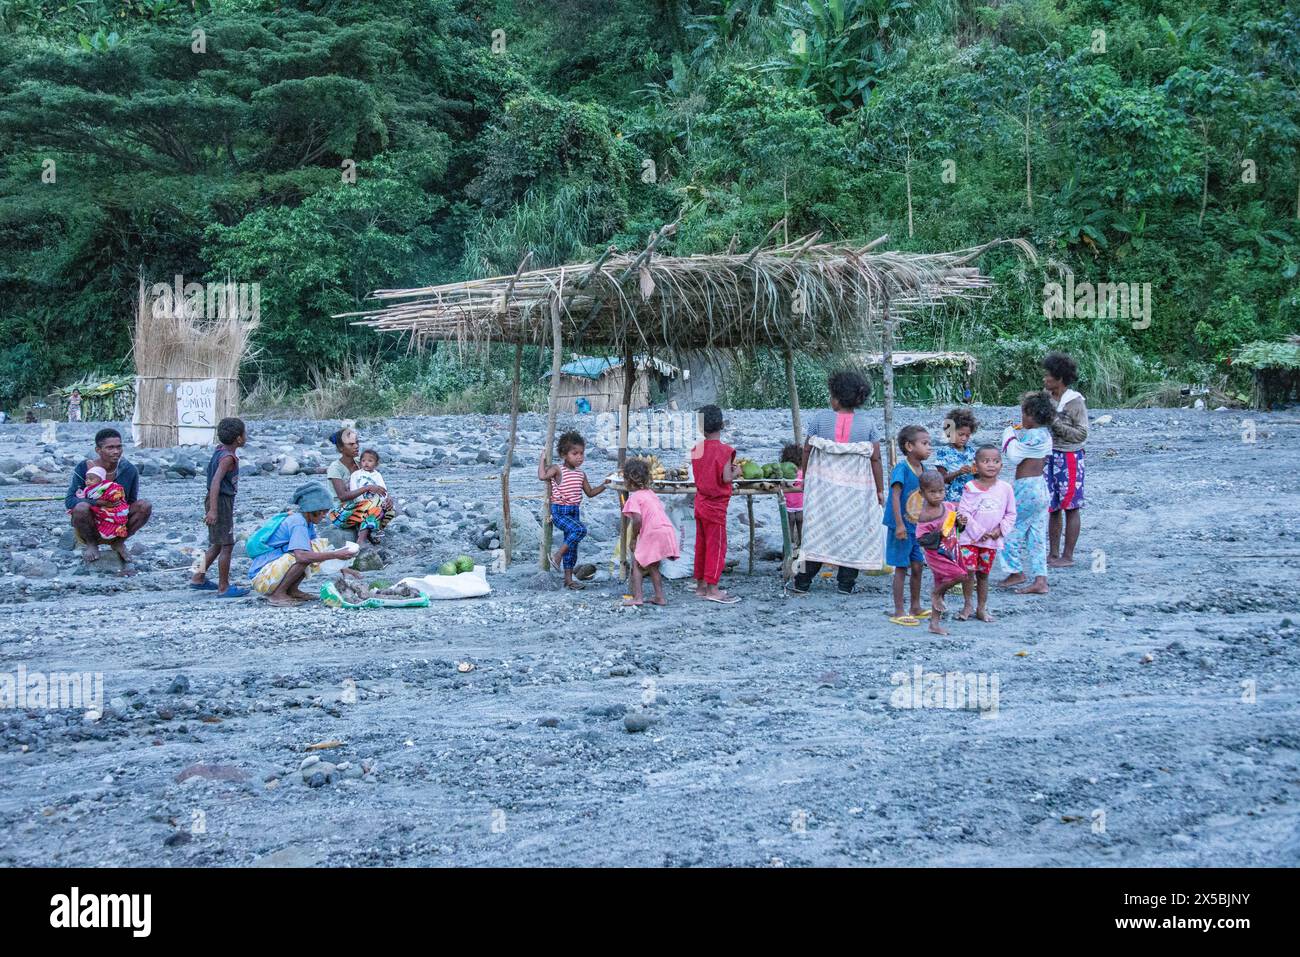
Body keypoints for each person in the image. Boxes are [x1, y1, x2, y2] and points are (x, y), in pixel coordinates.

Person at [792, 370, 885, 594]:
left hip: (823, 490)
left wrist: (805, 475)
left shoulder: (819, 420)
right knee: (852, 534)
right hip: (856, 492)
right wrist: (880, 490)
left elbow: (807, 449)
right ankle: (846, 583)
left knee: (815, 534)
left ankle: (802, 583)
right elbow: (876, 458)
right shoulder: (867, 425)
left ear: (835, 397)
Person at [250, 482, 359, 607]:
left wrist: (344, 567)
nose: (325, 516)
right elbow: (302, 557)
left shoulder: (307, 523)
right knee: (304, 555)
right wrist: (335, 554)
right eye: (322, 512)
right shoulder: (298, 523)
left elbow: (319, 552)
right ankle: (277, 594)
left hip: (271, 573)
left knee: (315, 547)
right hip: (263, 578)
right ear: (311, 509)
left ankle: (291, 590)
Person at [65, 428, 152, 573]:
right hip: (90, 524)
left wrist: (115, 508)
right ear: (98, 450)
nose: (116, 451)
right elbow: (69, 501)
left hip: (117, 524)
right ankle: (92, 544)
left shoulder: (128, 470)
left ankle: (118, 542)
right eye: (110, 447)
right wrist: (97, 503)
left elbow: (131, 501)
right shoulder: (83, 468)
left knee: (144, 506)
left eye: (119, 447)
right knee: (80, 507)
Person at [997, 391, 1055, 595]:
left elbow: (1013, 454)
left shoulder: (1032, 435)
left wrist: (1009, 432)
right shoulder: (1045, 435)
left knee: (1007, 528)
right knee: (1037, 536)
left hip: (1027, 488)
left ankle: (1015, 571)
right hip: (1040, 486)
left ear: (1030, 415)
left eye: (1023, 414)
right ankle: (1040, 579)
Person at [538, 430, 608, 590]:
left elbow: (590, 493)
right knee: (580, 530)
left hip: (574, 511)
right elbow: (542, 476)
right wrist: (541, 460)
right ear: (564, 454)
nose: (579, 457)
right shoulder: (557, 469)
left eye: (582, 453)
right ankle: (557, 556)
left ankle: (568, 580)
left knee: (573, 547)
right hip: (559, 511)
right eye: (574, 453)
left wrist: (605, 484)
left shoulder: (581, 474)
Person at [190, 417, 248, 597]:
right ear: (238, 438)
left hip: (215, 500)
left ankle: (197, 577)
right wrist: (214, 510)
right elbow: (216, 482)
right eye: (244, 434)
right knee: (227, 545)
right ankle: (223, 587)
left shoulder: (219, 451)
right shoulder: (228, 458)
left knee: (216, 543)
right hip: (220, 501)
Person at [957, 445, 1016, 622]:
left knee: (983, 574)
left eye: (996, 461)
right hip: (969, 539)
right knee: (968, 571)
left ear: (1001, 465)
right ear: (976, 466)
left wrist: (1000, 529)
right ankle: (967, 604)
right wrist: (978, 531)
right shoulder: (970, 487)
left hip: (991, 541)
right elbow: (963, 512)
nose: (991, 465)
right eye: (986, 461)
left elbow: (1011, 513)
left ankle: (981, 608)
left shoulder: (1005, 488)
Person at [1042, 351, 1090, 568]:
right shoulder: (1047, 398)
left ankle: (1067, 555)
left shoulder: (1075, 402)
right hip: (1051, 456)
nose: (1045, 379)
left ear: (1059, 378)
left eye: (1048, 375)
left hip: (1069, 456)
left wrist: (1054, 423)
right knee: (1053, 506)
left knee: (1070, 506)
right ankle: (1054, 553)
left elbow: (1081, 434)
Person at [691, 404, 741, 604]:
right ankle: (713, 588)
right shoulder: (725, 451)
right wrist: (737, 472)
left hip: (700, 503)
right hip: (716, 507)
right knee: (717, 547)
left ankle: (701, 585)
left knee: (701, 545)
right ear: (722, 425)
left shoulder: (696, 449)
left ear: (701, 428)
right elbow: (726, 478)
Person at [914, 470, 972, 635]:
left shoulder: (947, 506)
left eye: (941, 491)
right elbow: (922, 539)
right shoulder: (924, 516)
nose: (938, 495)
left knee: (943, 585)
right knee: (961, 576)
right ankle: (935, 593)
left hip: (951, 550)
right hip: (937, 554)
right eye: (932, 492)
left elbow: (957, 528)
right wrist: (939, 533)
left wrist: (961, 523)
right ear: (922, 493)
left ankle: (934, 623)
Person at [885, 425, 931, 624]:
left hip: (916, 527)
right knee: (901, 568)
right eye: (925, 444)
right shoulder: (902, 469)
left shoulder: (924, 470)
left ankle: (915, 605)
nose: (929, 448)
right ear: (909, 446)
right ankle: (898, 610)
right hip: (901, 527)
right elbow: (894, 496)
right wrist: (899, 525)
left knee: (918, 565)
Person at [620, 458, 679, 606]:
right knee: (653, 565)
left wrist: (633, 538)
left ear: (629, 481)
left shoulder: (634, 497)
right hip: (665, 529)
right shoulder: (650, 493)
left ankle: (638, 597)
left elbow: (638, 520)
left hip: (652, 532)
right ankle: (660, 597)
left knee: (637, 564)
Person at [326, 428, 394, 548]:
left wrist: (388, 498)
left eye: (357, 442)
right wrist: (368, 488)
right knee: (372, 506)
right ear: (341, 448)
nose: (356, 446)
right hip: (341, 512)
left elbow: (376, 480)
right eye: (351, 444)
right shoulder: (335, 468)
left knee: (389, 509)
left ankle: (368, 529)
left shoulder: (360, 462)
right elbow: (342, 496)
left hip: (361, 507)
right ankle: (361, 540)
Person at [933, 407, 978, 503]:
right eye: (960, 434)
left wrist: (977, 471)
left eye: (967, 436)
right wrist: (959, 472)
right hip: (951, 500)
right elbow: (942, 479)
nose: (964, 438)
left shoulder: (972, 452)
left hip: (970, 499)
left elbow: (978, 478)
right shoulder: (943, 452)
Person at [75, 466, 129, 542]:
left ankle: (115, 536)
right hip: (99, 507)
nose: (88, 481)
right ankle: (93, 539)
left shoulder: (107, 486)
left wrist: (110, 499)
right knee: (82, 508)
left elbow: (115, 493)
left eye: (91, 479)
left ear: (100, 479)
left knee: (113, 515)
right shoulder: (87, 489)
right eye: (86, 479)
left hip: (111, 507)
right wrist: (80, 494)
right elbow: (85, 497)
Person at [780, 443, 804, 549]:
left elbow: (782, 487)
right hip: (801, 507)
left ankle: (789, 549)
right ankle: (801, 547)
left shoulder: (785, 473)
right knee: (801, 529)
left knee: (788, 531)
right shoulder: (803, 472)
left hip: (789, 506)